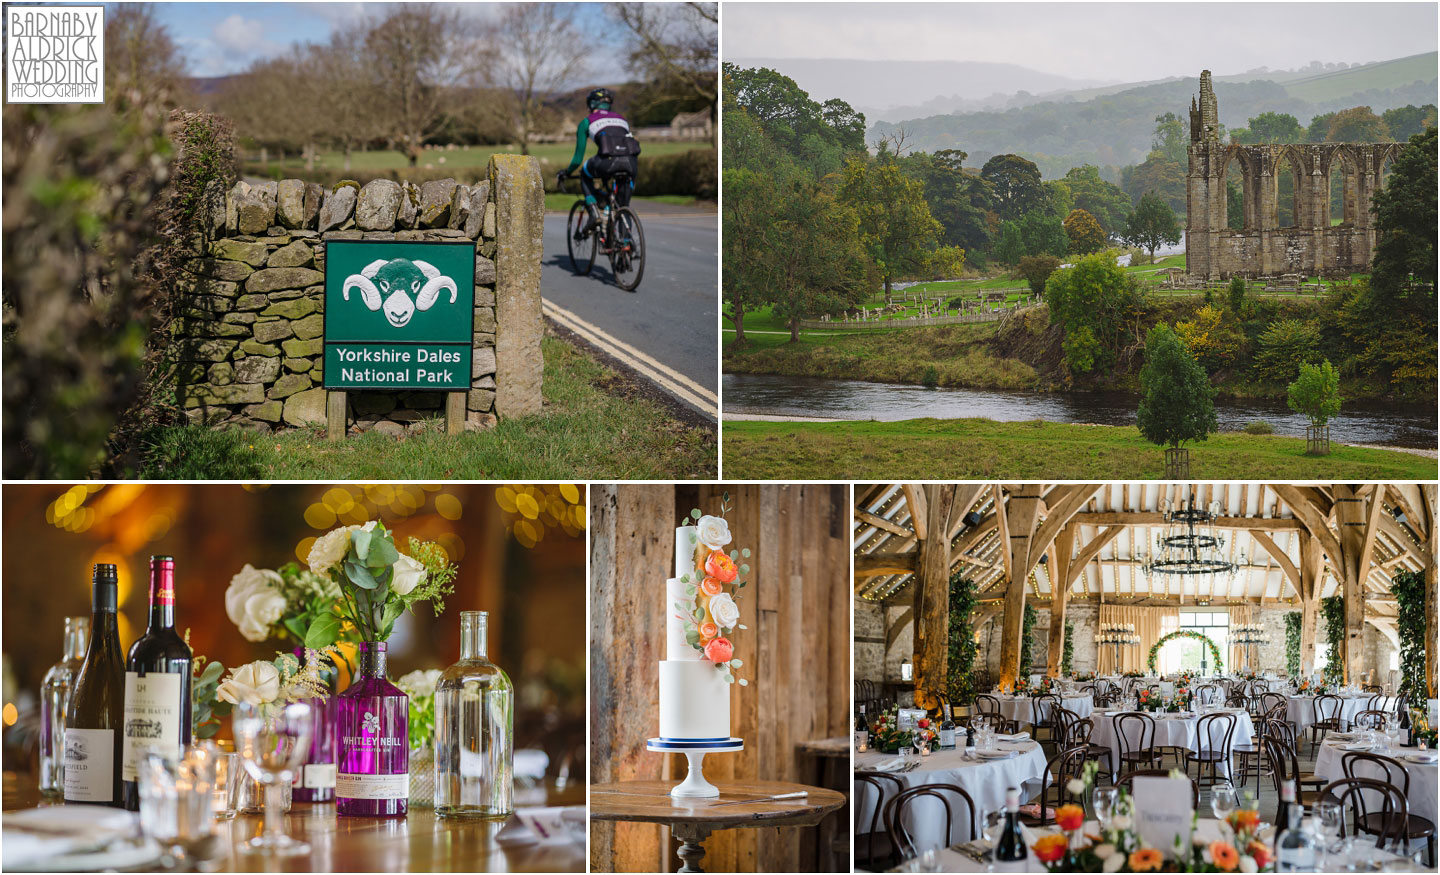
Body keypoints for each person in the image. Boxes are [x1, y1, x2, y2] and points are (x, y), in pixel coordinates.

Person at [560, 87, 640, 237]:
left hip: (607, 161)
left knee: (584, 173)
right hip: (631, 163)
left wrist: (567, 172)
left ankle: (593, 212)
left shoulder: (586, 122)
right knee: (623, 206)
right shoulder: (622, 119)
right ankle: (626, 245)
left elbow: (577, 159)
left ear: (591, 105)